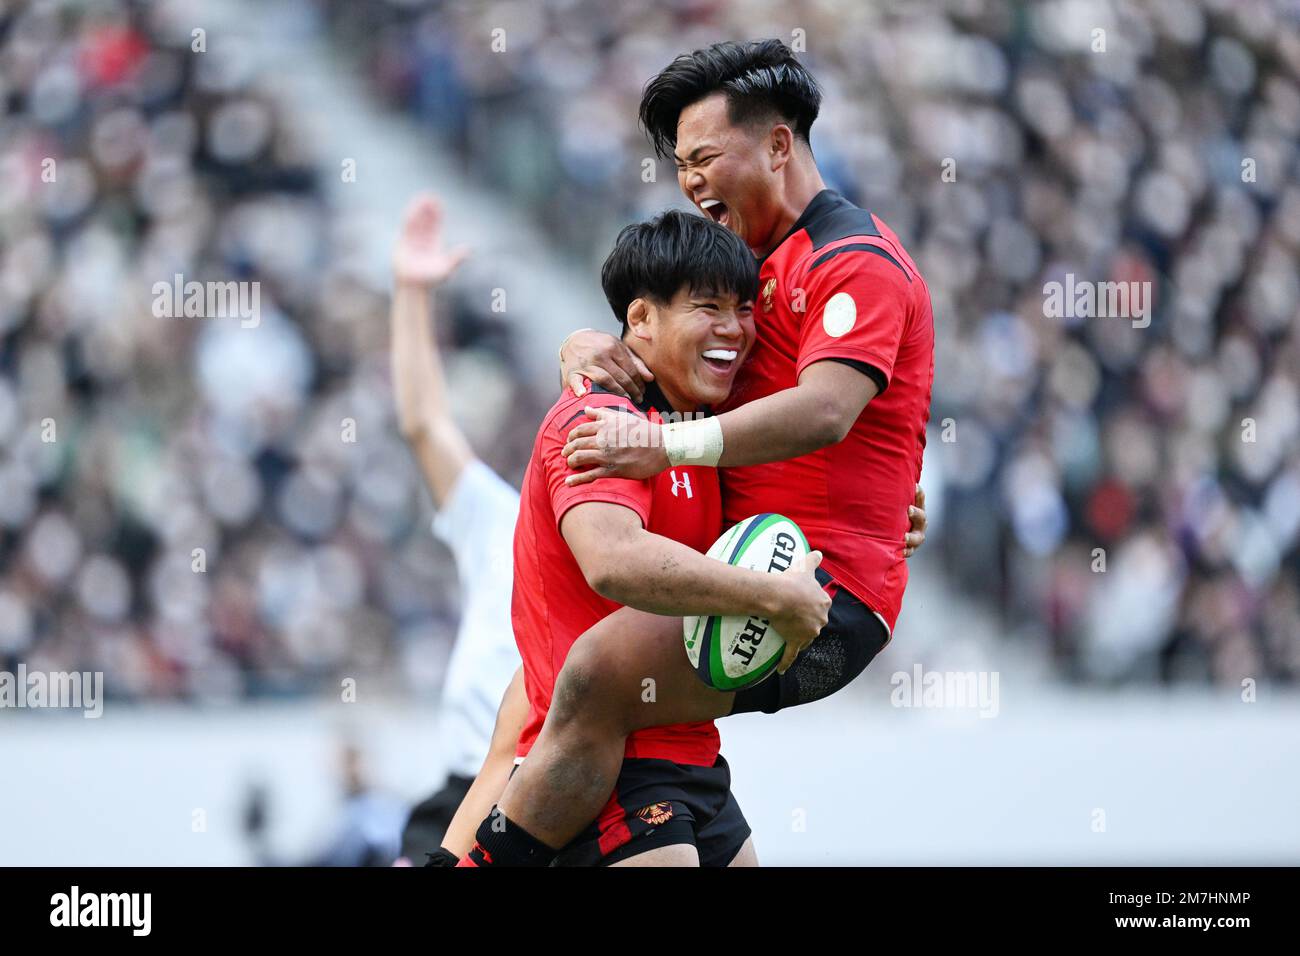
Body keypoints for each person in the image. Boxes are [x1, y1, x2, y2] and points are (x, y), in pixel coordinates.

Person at [457, 38, 935, 866]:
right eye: (682, 164)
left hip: (824, 592)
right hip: (761, 573)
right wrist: (583, 343)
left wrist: (661, 443)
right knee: (548, 691)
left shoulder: (855, 263)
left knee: (592, 674)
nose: (690, 180)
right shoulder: (747, 272)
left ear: (779, 144)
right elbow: (663, 337)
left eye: (706, 156)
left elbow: (825, 411)